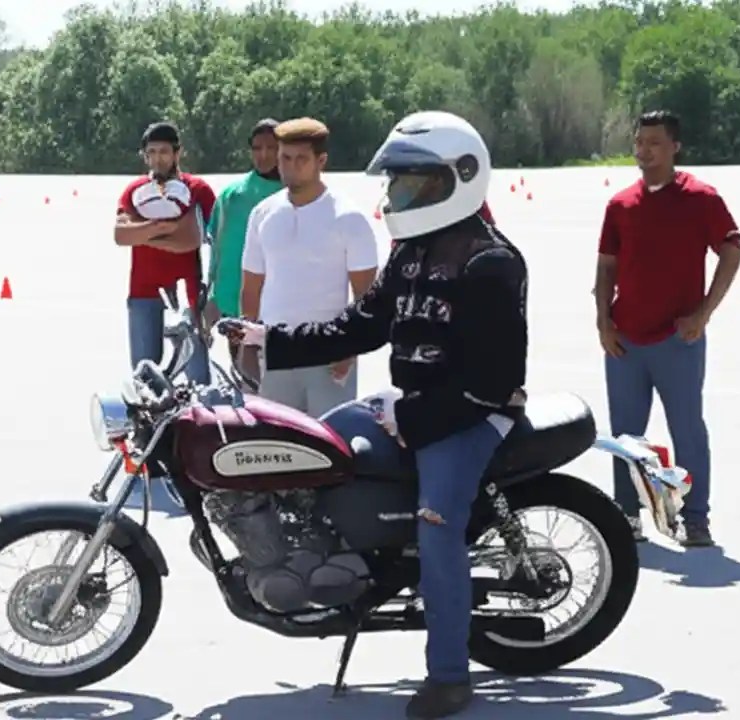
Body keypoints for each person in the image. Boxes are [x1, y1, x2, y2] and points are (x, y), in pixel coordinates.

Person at [225, 111, 528, 719]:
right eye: (396, 182)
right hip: (411, 402)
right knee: (323, 441)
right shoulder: (412, 251)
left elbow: (492, 383)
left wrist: (411, 422)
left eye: (411, 181)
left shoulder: (488, 261)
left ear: (455, 180)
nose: (396, 194)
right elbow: (360, 324)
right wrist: (270, 338)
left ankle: (449, 674)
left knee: (437, 526)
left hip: (467, 416)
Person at [594, 109, 740, 547]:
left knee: (688, 431)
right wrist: (604, 320)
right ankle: (627, 514)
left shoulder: (701, 198)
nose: (644, 150)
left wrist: (703, 313)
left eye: (654, 142)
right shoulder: (620, 204)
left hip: (679, 340)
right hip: (625, 341)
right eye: (639, 142)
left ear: (675, 147)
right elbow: (606, 265)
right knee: (625, 437)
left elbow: (732, 249)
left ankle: (696, 518)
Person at [239, 117, 378, 417]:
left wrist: (349, 349)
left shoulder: (348, 218)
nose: (290, 166)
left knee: (331, 449)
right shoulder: (262, 214)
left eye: (301, 159)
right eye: (284, 158)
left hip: (329, 357)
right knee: (278, 451)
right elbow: (251, 285)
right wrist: (247, 347)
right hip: (275, 354)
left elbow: (366, 297)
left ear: (321, 161)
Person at [114, 121, 217, 384]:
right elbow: (121, 235)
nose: (157, 159)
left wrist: (143, 233)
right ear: (144, 155)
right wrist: (162, 227)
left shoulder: (198, 190)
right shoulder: (135, 191)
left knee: (198, 377)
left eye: (164, 152)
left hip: (187, 293)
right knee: (145, 377)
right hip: (143, 292)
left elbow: (193, 239)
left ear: (177, 153)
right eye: (152, 153)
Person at [204, 118, 283, 384]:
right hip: (236, 306)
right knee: (246, 383)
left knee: (279, 388)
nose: (264, 155)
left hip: (282, 310)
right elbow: (219, 250)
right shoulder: (231, 195)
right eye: (257, 148)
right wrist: (212, 297)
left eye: (272, 147)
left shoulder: (296, 193)